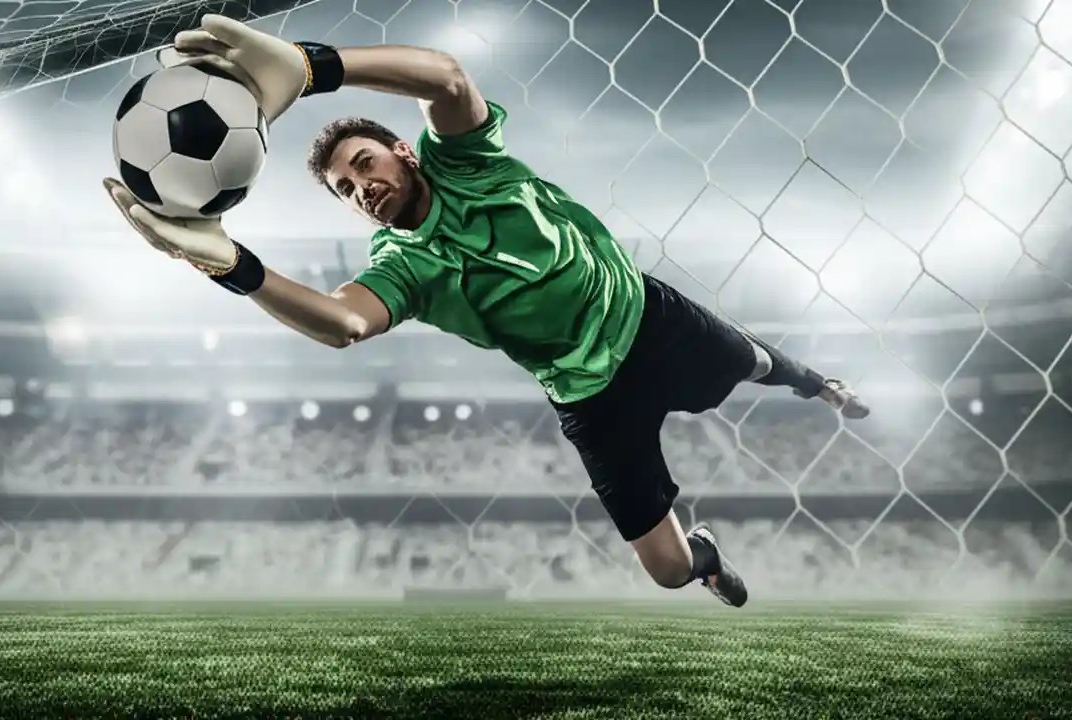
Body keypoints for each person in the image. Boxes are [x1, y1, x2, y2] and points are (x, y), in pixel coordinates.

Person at [102, 14, 871, 607]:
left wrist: (311, 68)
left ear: (403, 152)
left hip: (648, 319)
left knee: (755, 362)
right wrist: (229, 265)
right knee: (668, 571)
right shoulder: (405, 265)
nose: (359, 186)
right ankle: (706, 557)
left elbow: (445, 76)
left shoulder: (466, 158)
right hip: (588, 394)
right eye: (345, 189)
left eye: (363, 164)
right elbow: (344, 324)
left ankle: (819, 382)